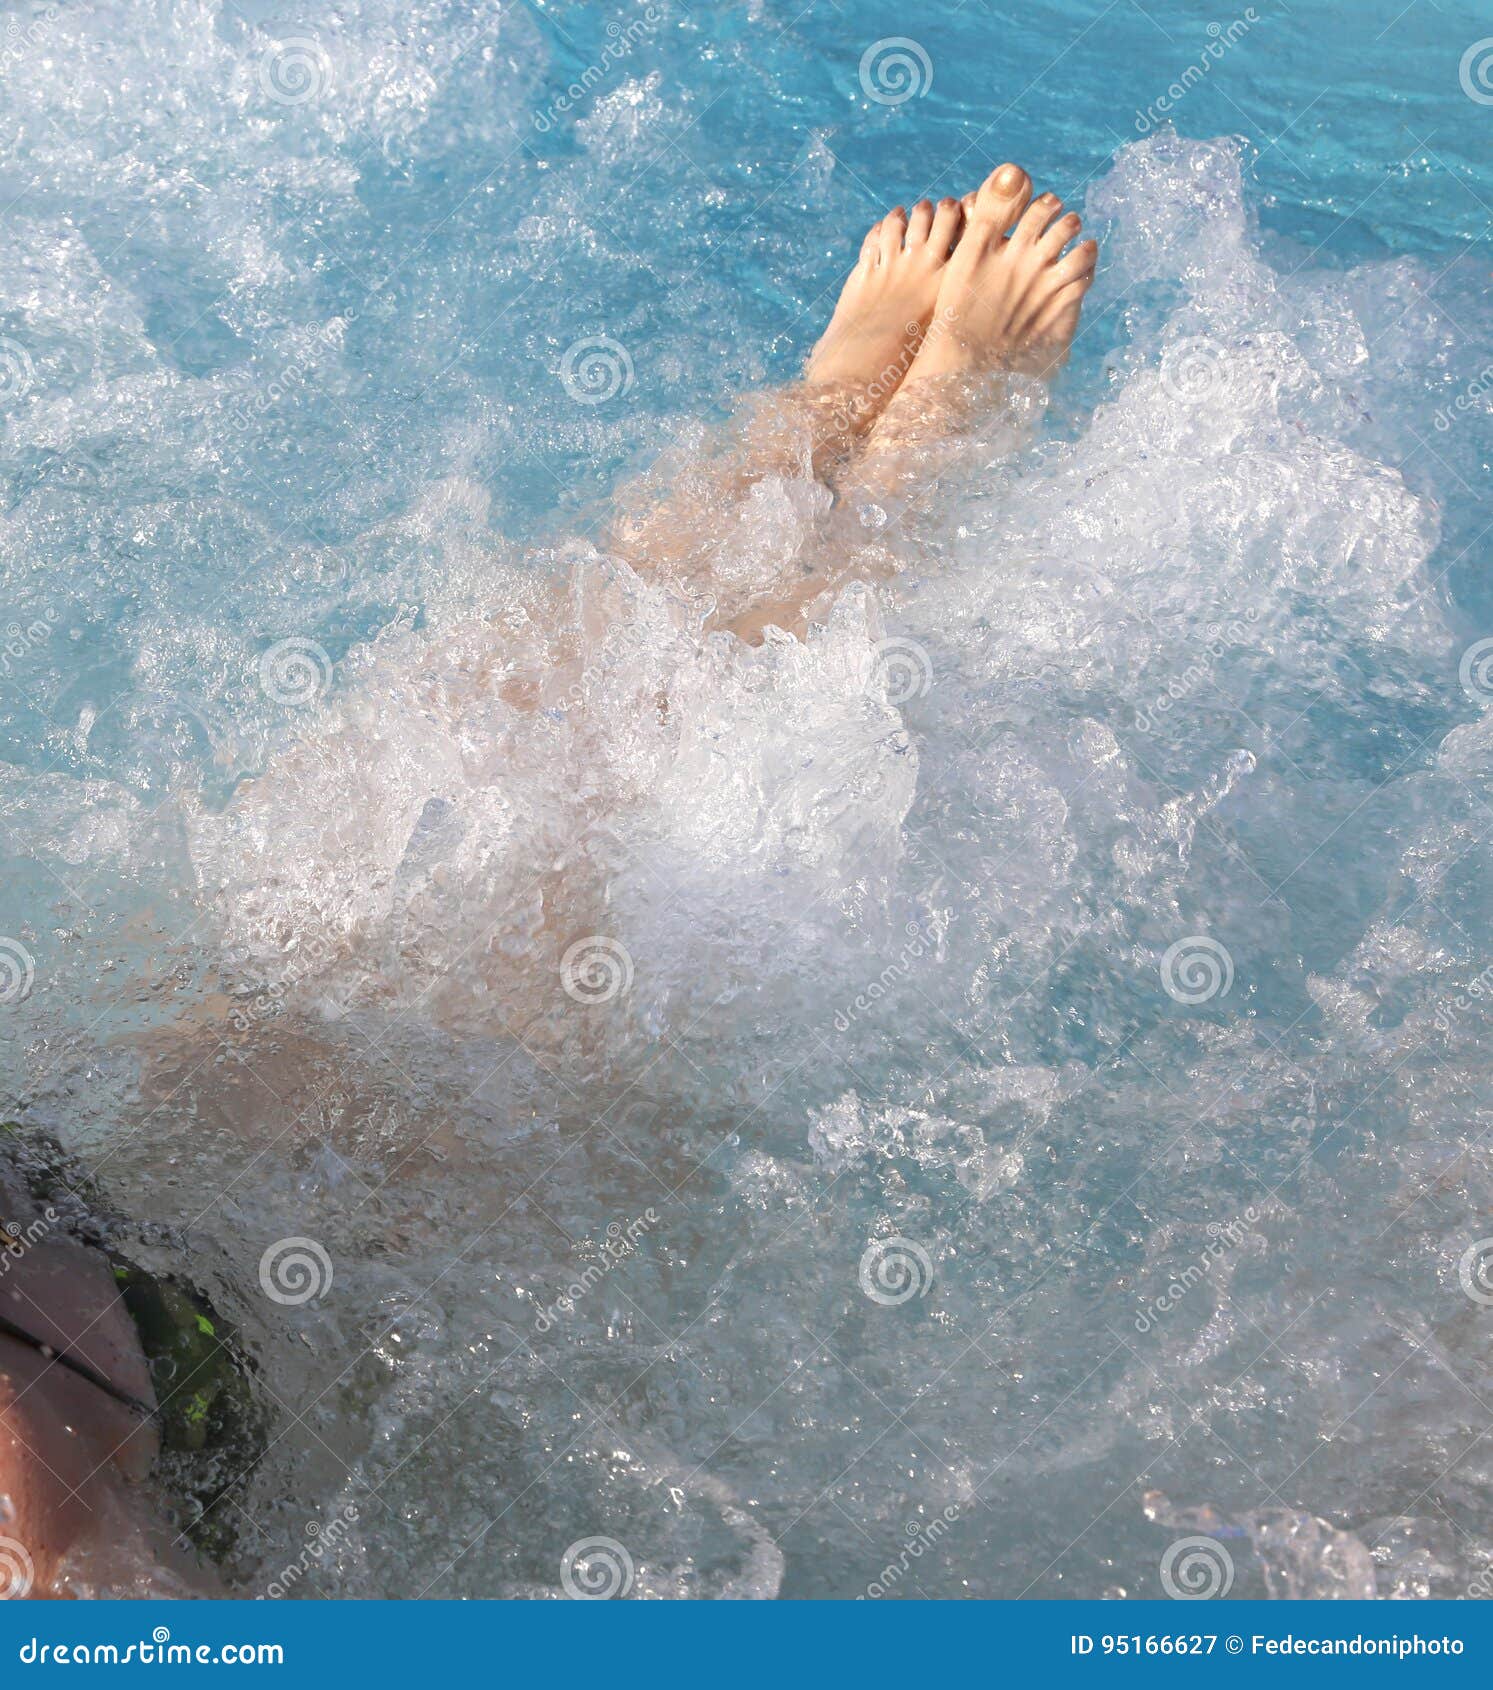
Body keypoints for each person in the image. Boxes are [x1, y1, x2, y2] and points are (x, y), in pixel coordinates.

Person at [0, 163, 1095, 1598]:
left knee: (445, 751)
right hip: (251, 1340)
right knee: (576, 907)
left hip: (117, 1200)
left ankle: (807, 425)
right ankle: (914, 471)